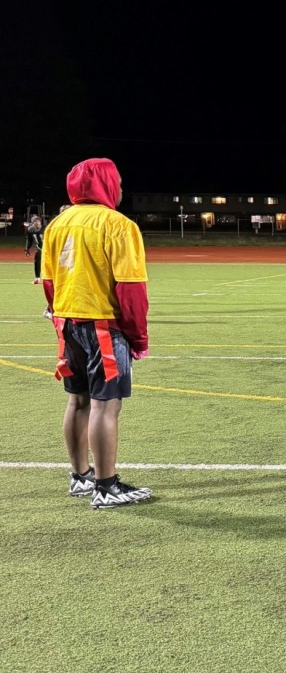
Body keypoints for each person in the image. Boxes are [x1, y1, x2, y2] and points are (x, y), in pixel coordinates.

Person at [40, 158, 154, 509]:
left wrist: (61, 316)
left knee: (77, 400)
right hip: (103, 324)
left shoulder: (57, 224)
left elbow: (49, 282)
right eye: (116, 180)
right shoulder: (117, 225)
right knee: (108, 405)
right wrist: (138, 337)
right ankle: (106, 486)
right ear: (106, 183)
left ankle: (80, 477)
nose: (119, 186)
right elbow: (130, 289)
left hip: (68, 323)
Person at [25, 214, 44, 284]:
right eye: (36, 222)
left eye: (39, 222)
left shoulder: (45, 227)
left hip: (50, 248)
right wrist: (27, 249)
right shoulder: (30, 230)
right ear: (33, 223)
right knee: (37, 261)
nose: (38, 223)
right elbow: (29, 240)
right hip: (40, 247)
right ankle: (37, 278)